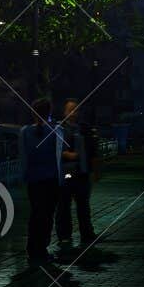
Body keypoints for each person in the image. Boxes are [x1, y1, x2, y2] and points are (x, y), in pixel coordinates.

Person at [18, 98, 63, 269]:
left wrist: (24, 178)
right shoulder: (56, 130)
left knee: (35, 214)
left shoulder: (24, 132)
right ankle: (42, 249)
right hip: (51, 180)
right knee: (47, 215)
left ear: (33, 112)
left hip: (33, 180)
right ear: (49, 112)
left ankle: (32, 248)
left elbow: (23, 158)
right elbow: (58, 158)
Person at [55, 99, 97, 254]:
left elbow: (92, 149)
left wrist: (94, 169)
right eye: (70, 110)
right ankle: (64, 235)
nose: (73, 113)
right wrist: (67, 154)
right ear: (64, 112)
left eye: (76, 109)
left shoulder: (84, 128)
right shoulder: (60, 129)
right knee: (64, 205)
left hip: (82, 172)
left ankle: (87, 233)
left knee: (83, 205)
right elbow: (55, 149)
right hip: (66, 172)